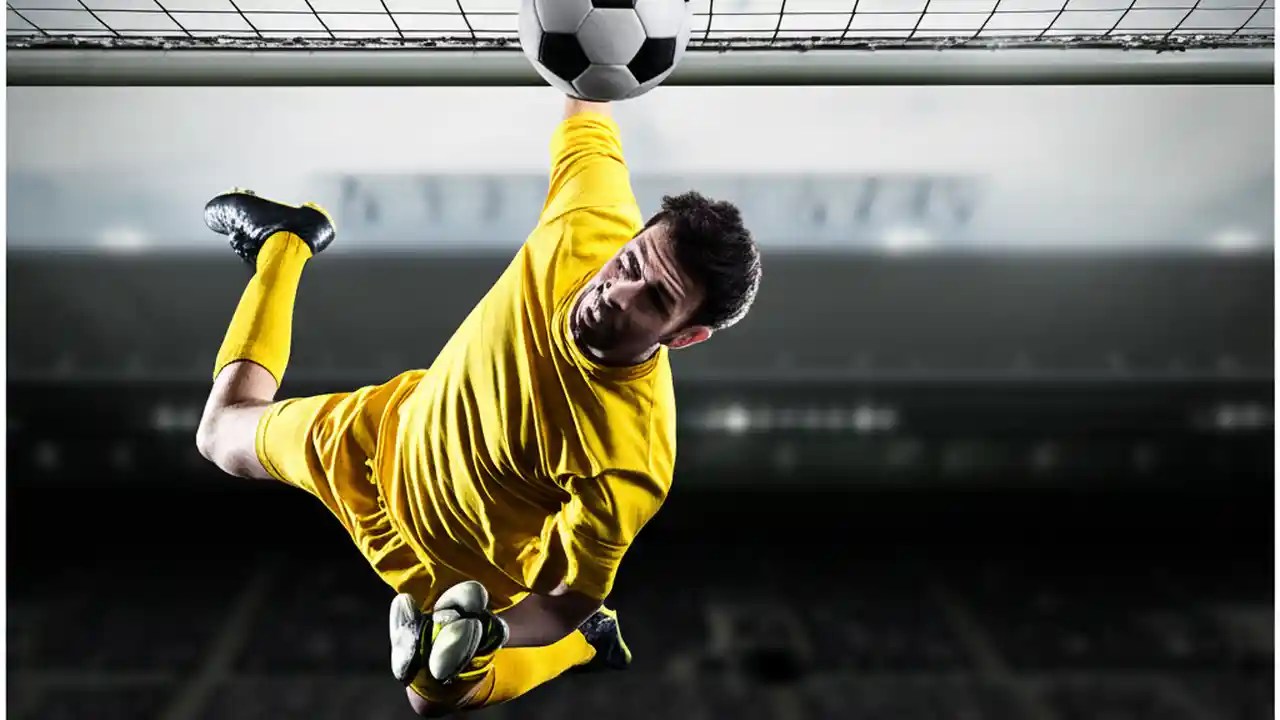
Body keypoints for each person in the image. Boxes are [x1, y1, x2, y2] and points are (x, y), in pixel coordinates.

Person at [195, 95, 762, 716]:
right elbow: (587, 107)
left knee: (431, 699)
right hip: (374, 440)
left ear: (684, 337)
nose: (616, 292)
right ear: (627, 238)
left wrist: (495, 630)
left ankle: (583, 644)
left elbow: (563, 603)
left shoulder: (632, 459)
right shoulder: (589, 218)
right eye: (628, 262)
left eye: (653, 300)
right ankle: (285, 242)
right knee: (219, 434)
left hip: (463, 577)